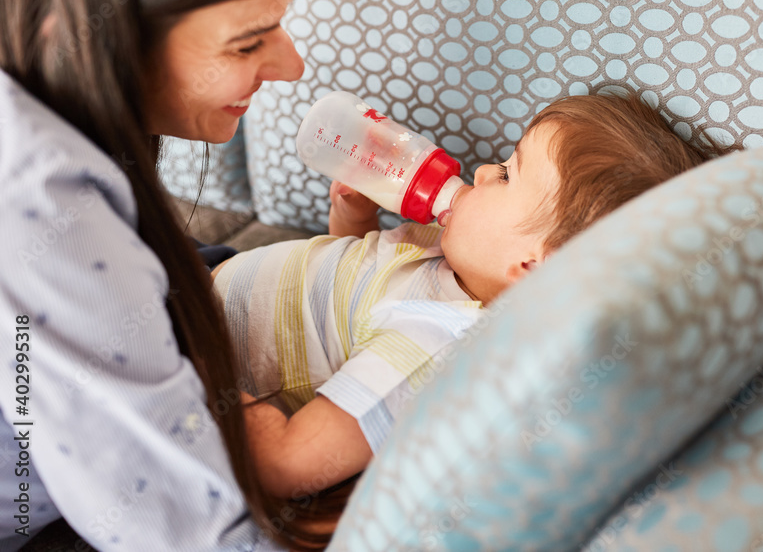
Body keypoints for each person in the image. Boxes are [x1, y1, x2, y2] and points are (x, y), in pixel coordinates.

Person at [0, 0, 343, 550]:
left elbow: (143, 269)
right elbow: (180, 528)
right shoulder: (41, 201)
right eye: (246, 44)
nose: (291, 66)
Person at [209, 91, 709, 500]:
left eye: (510, 173)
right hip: (212, 267)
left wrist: (194, 370)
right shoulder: (458, 258)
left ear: (533, 265)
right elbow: (350, 283)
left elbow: (287, 464)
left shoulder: (433, 341)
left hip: (197, 338)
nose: (487, 169)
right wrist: (355, 218)